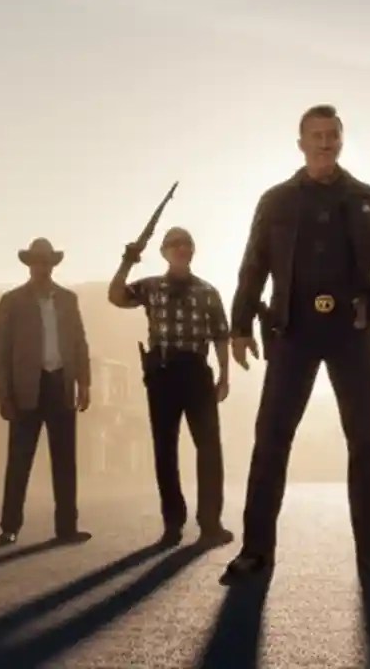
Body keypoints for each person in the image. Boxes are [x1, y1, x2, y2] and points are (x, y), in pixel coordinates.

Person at [224, 103, 370, 582]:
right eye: (317, 136)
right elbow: (253, 265)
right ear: (301, 142)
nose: (325, 143)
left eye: (333, 135)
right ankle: (255, 551)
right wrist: (240, 325)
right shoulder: (277, 201)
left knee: (364, 441)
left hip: (352, 333)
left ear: (341, 141)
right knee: (271, 439)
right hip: (292, 332)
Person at [107, 226, 234, 547]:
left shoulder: (207, 291)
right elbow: (116, 297)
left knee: (208, 448)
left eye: (186, 244)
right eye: (174, 245)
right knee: (165, 449)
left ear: (192, 251)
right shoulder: (151, 287)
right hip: (162, 371)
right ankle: (172, 523)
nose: (181, 249)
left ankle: (210, 522)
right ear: (164, 252)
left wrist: (224, 375)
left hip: (196, 370)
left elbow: (220, 334)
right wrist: (127, 261)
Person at [0, 237, 91, 545]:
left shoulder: (67, 300)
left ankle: (66, 527)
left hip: (60, 383)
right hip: (26, 387)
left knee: (65, 461)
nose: (41, 267)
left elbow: (79, 342)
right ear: (29, 265)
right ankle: (9, 526)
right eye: (37, 262)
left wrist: (84, 382)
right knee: (19, 460)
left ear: (52, 265)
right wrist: (3, 394)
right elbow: (0, 351)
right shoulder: (12, 301)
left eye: (46, 262)